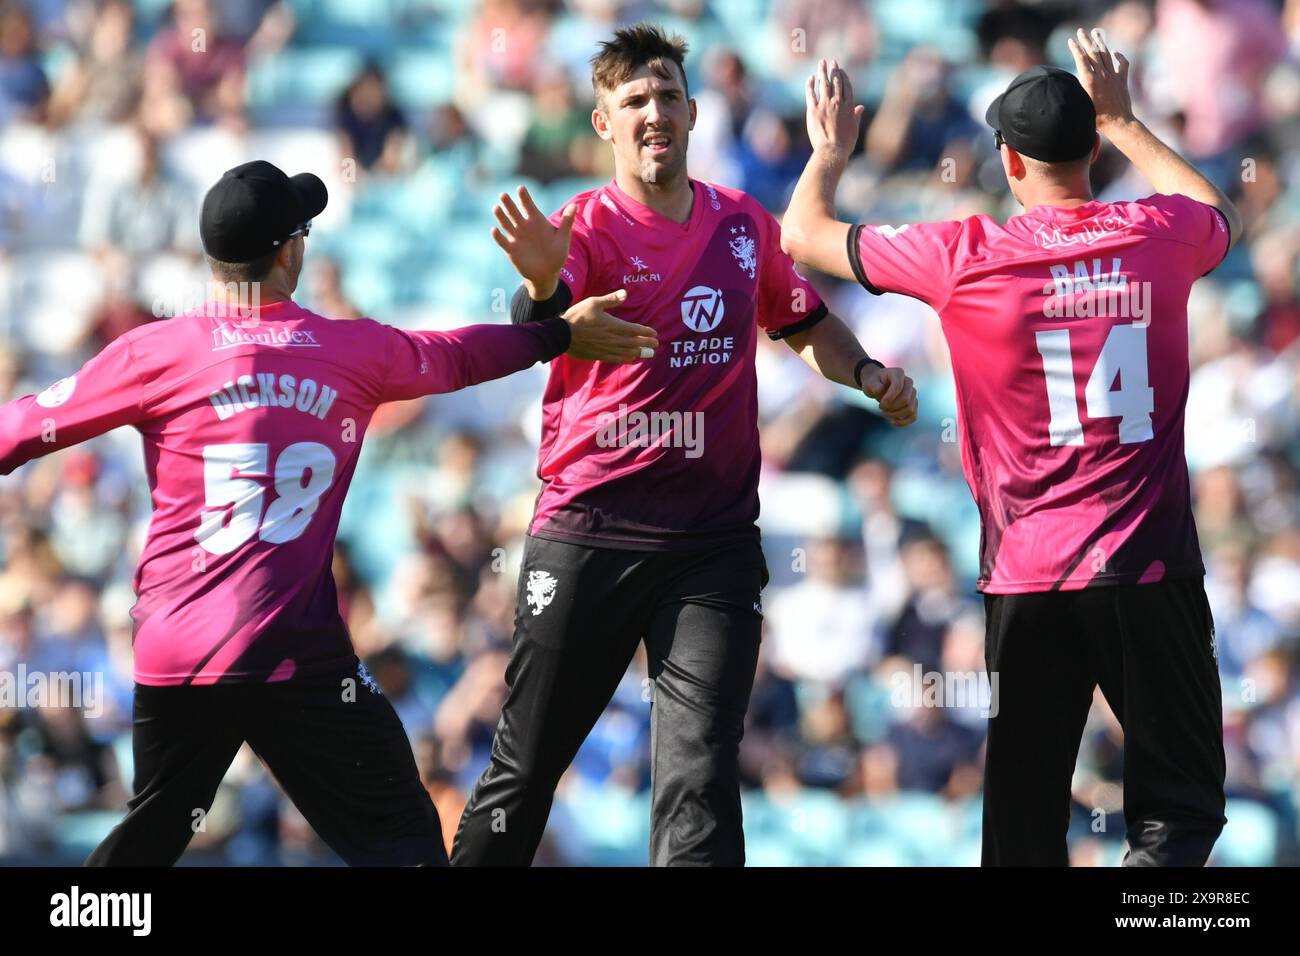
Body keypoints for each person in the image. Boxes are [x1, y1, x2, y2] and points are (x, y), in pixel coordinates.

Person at [0, 159, 641, 866]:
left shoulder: (153, 351)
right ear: (289, 253)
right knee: (402, 838)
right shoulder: (350, 350)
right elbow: (461, 356)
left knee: (146, 845)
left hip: (177, 651)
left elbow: (22, 429)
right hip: (295, 653)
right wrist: (557, 333)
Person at [452, 23, 918, 867]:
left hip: (711, 545)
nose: (654, 111)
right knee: (525, 771)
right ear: (604, 123)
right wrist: (542, 286)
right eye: (634, 99)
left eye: (668, 94)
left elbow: (802, 321)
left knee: (698, 775)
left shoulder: (740, 223)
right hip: (589, 530)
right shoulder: (582, 226)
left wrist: (867, 372)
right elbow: (541, 315)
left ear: (695, 112)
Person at [780, 31, 1242, 866]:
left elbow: (802, 234)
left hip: (1027, 578)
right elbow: (1220, 213)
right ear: (1092, 150)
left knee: (1022, 834)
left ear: (1010, 160)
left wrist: (830, 152)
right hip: (1149, 567)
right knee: (1179, 816)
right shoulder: (1159, 233)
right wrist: (1126, 122)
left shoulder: (965, 255)